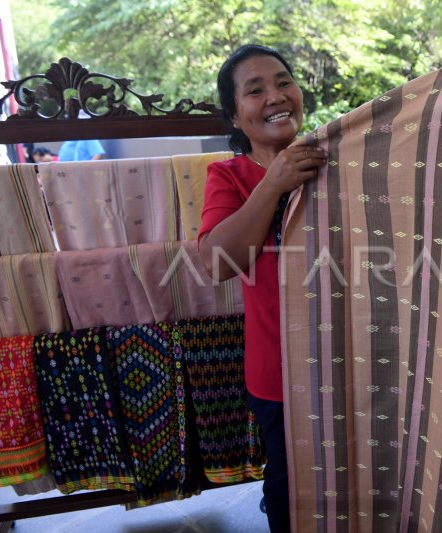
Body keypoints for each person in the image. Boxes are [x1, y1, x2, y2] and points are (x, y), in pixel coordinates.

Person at [197, 44, 327, 533]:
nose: (276, 96)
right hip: (279, 373)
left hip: (352, 358)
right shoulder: (228, 176)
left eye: (283, 82)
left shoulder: (334, 161)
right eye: (255, 90)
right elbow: (217, 262)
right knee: (292, 488)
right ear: (235, 115)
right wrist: (273, 184)